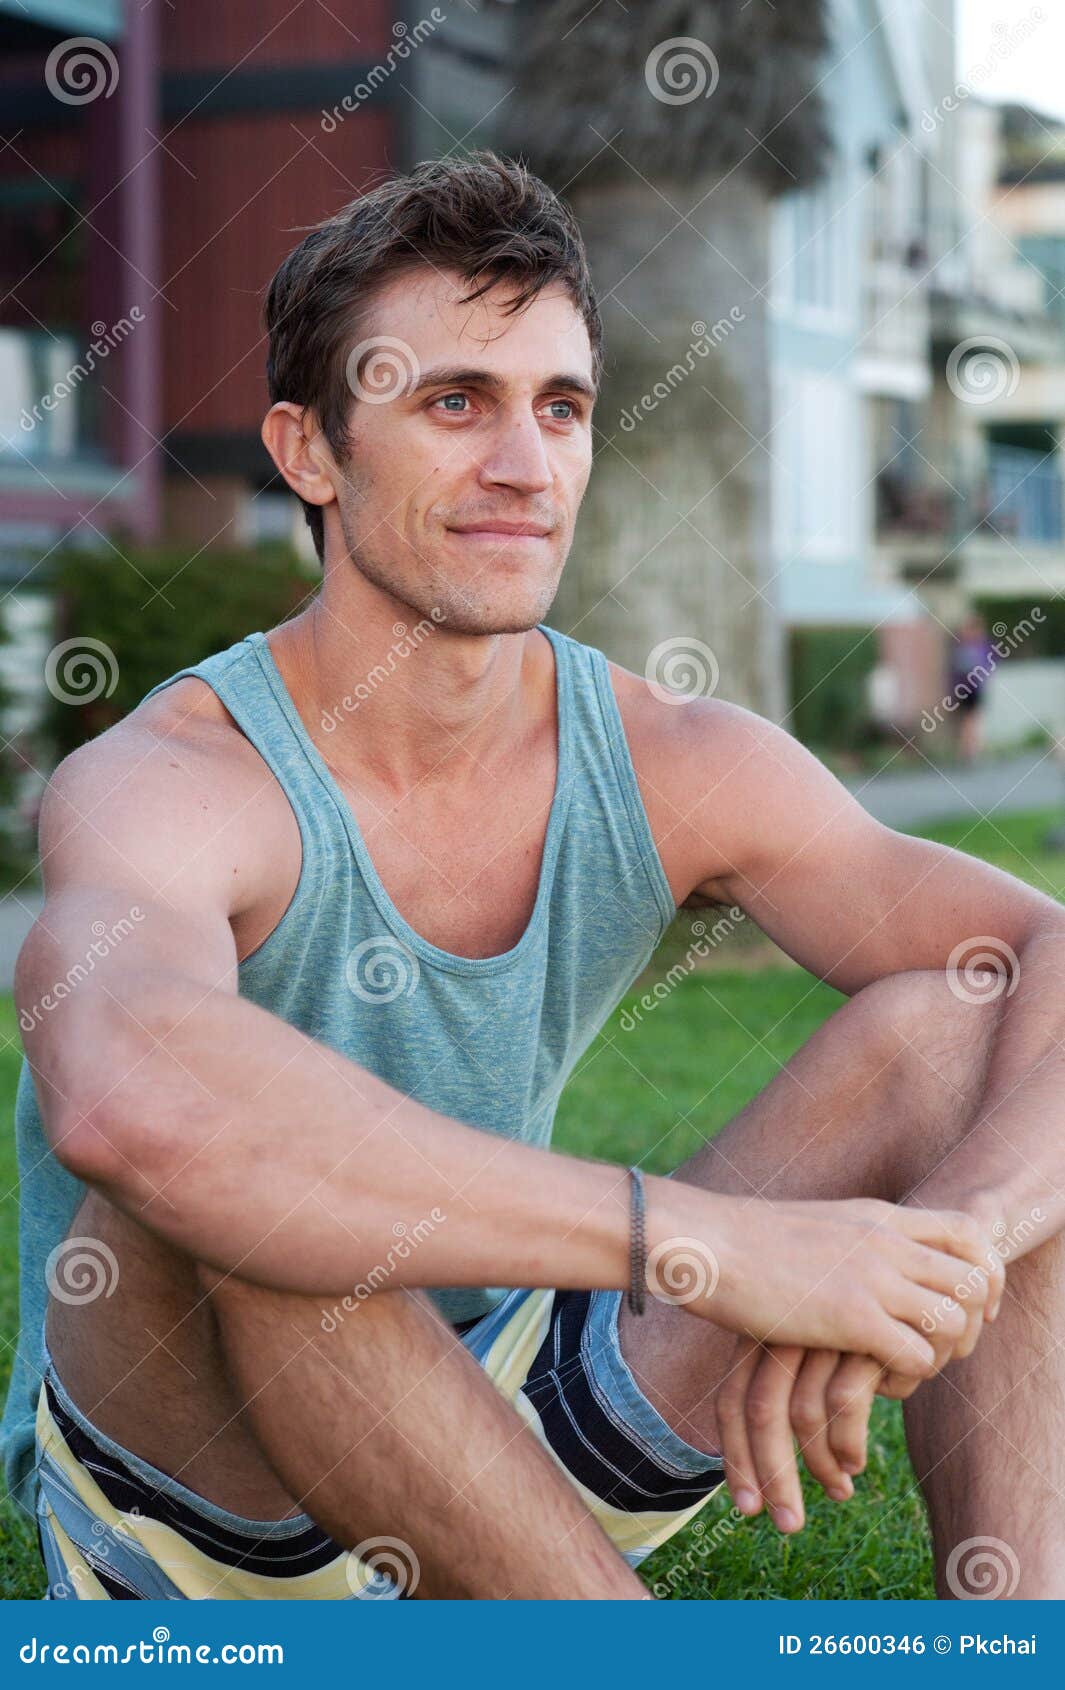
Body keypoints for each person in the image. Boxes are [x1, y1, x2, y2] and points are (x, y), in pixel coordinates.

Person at [3, 152, 1064, 1603]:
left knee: (965, 1022)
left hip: (501, 1409)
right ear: (310, 451)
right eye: (454, 403)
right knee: (255, 1155)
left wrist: (945, 1251)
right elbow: (141, 1105)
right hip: (208, 1506)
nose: (524, 465)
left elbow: (1041, 953)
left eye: (558, 408)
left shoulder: (668, 752)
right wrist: (719, 1249)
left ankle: (1020, 1633)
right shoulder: (174, 781)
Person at [948, 613, 995, 763]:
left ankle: (971, 749)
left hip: (973, 687)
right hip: (966, 687)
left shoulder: (979, 645)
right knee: (968, 719)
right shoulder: (966, 646)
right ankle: (968, 750)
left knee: (972, 719)